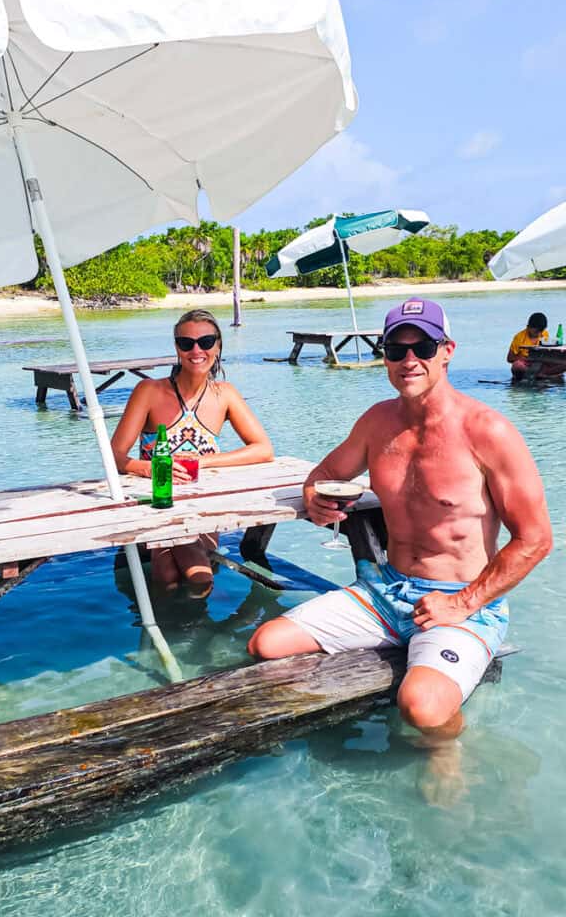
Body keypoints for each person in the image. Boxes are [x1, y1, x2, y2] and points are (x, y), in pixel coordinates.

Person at [248, 298, 552, 764]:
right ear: (385, 356)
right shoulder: (377, 423)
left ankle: (446, 752)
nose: (409, 360)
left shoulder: (488, 432)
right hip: (385, 591)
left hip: (461, 602)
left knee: (422, 709)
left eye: (423, 347)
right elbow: (324, 474)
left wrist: (462, 603)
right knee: (266, 644)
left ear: (447, 351)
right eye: (396, 349)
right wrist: (315, 499)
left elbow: (536, 538)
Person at [111, 309, 273, 596]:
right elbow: (114, 455)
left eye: (205, 342)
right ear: (177, 348)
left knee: (187, 568)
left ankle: (187, 615)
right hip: (156, 503)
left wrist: (203, 461)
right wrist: (149, 468)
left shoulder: (224, 394)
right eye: (186, 343)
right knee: (173, 571)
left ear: (218, 346)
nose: (196, 351)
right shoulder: (149, 391)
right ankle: (201, 616)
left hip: (202, 506)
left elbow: (263, 449)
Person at [507, 311, 566, 381]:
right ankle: (543, 375)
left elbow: (548, 351)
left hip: (542, 364)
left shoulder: (544, 334)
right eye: (536, 331)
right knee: (517, 366)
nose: (539, 334)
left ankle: (542, 374)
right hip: (526, 364)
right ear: (528, 327)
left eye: (541, 331)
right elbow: (509, 358)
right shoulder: (519, 337)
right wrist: (526, 358)